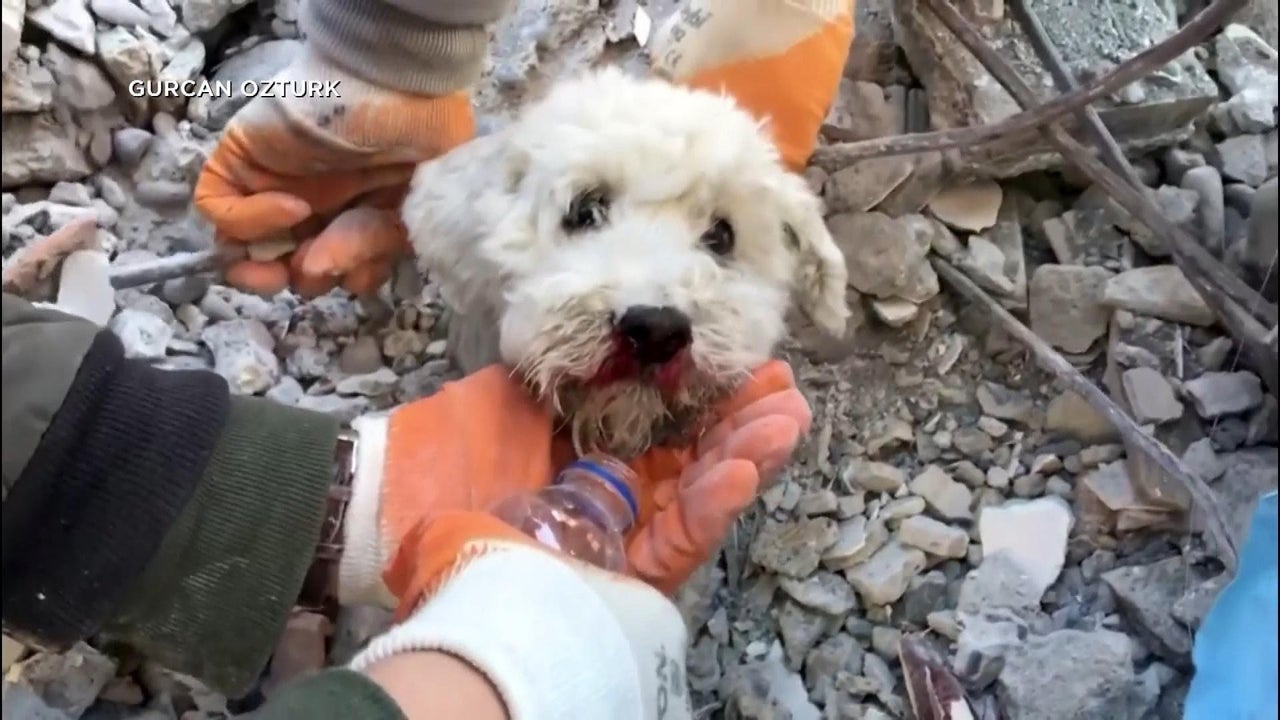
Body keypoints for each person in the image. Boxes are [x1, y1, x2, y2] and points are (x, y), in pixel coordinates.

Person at [1, 1, 854, 718]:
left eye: (718, 237)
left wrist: (384, 61)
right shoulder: (475, 219)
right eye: (587, 212)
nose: (661, 301)